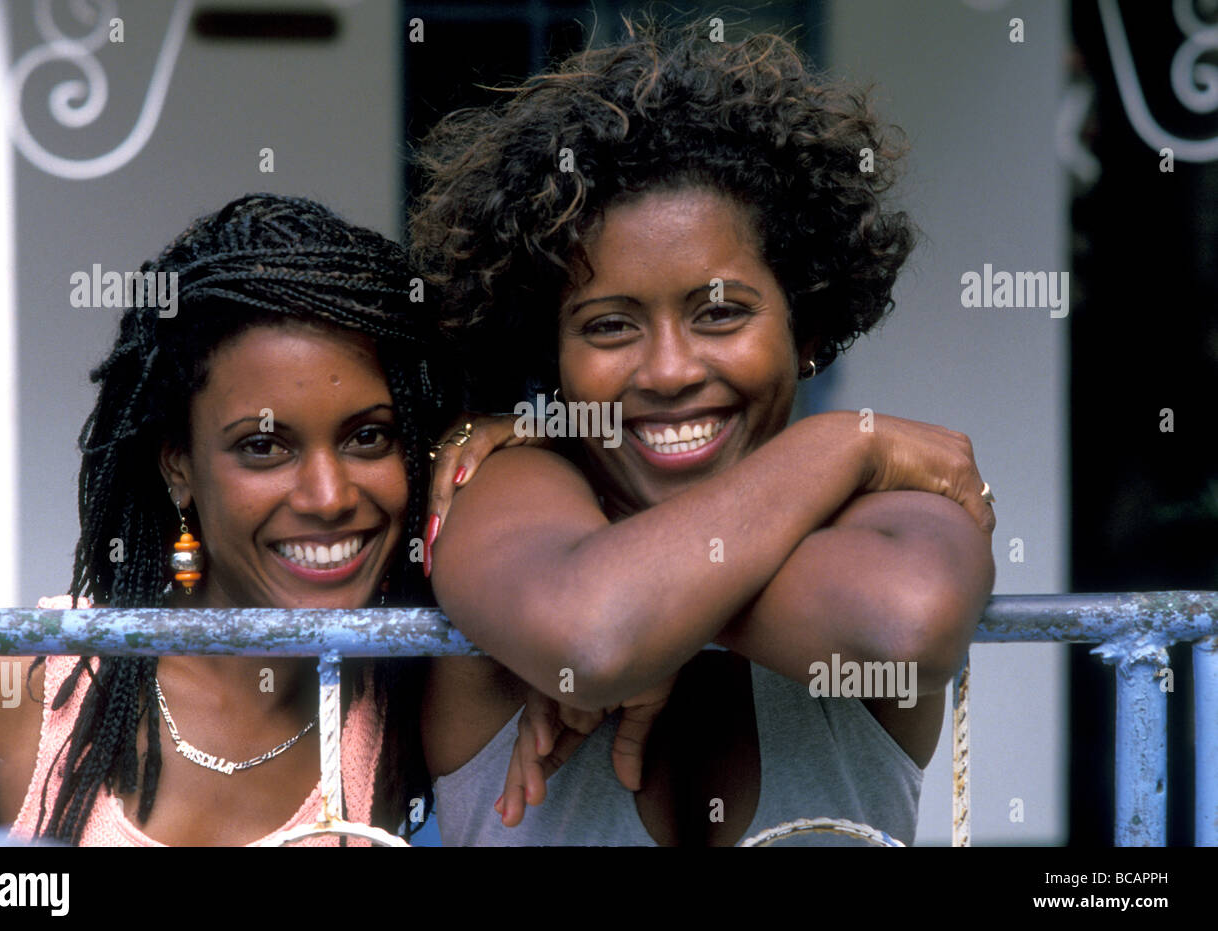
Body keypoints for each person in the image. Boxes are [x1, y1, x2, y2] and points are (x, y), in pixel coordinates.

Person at [411, 17, 997, 845]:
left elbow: (907, 629)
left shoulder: (884, 503)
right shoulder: (515, 480)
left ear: (806, 326)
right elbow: (599, 635)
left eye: (721, 312)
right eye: (610, 327)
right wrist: (842, 444)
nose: (671, 370)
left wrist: (645, 603)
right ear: (553, 353)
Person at [0, 194, 454, 846]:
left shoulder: (423, 700)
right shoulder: (3, 687)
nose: (328, 495)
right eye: (263, 447)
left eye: (368, 438)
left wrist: (506, 441)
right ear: (178, 465)